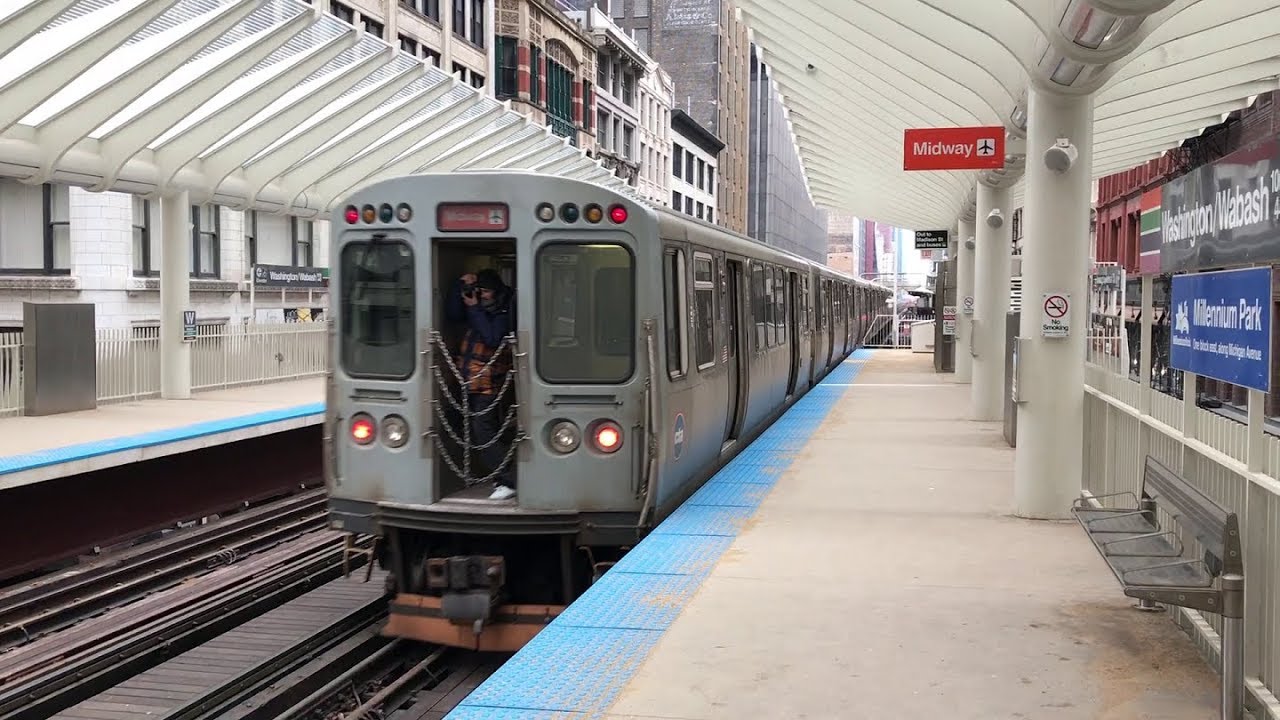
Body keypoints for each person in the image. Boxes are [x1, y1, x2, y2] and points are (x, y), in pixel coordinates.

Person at [445, 269, 517, 500]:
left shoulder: (503, 313)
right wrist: (460, 286)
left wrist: (475, 308)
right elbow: (453, 314)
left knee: (483, 431)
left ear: (495, 291)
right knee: (455, 421)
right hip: (469, 382)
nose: (481, 295)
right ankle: (497, 472)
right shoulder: (478, 309)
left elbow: (492, 337)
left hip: (489, 385)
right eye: (479, 291)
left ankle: (508, 478)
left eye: (485, 291)